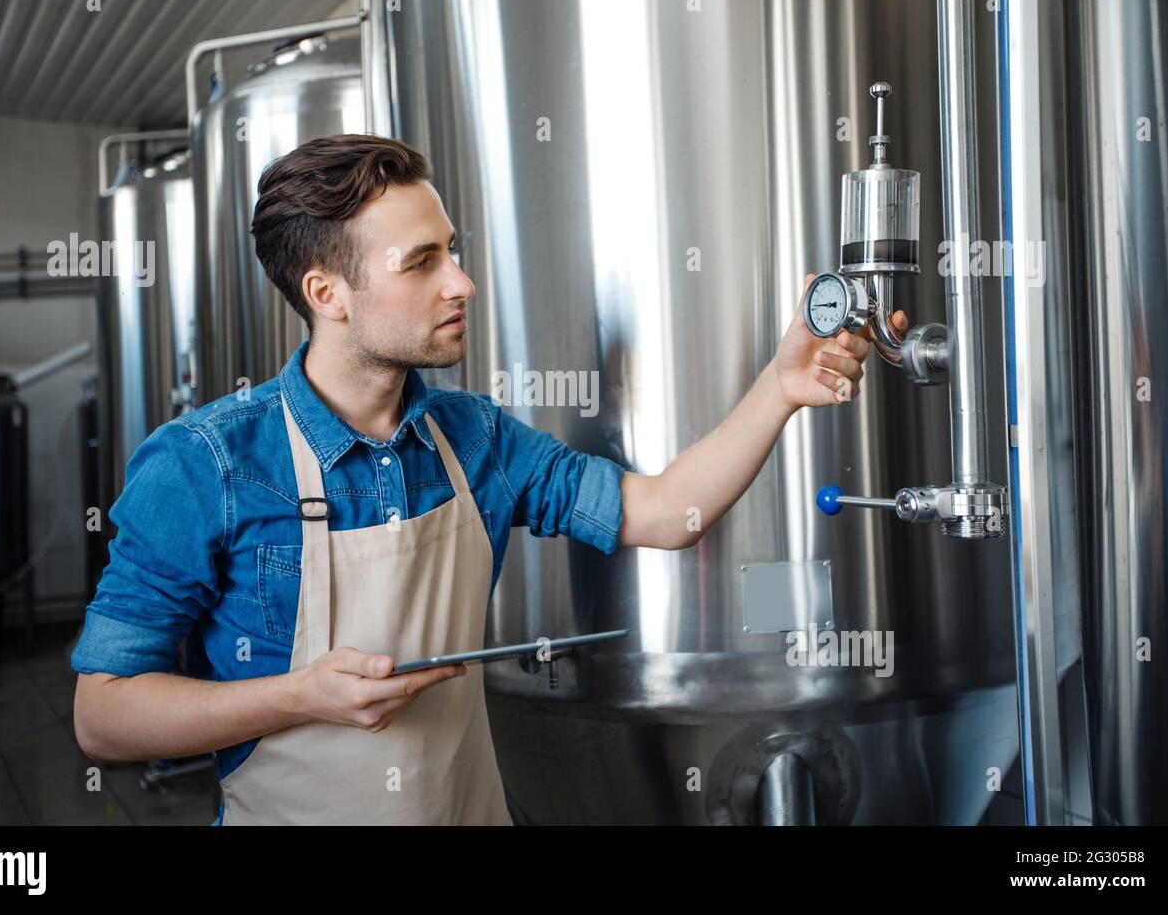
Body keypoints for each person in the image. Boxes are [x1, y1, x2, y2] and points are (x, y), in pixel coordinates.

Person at [71, 134, 906, 824]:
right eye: (422, 262)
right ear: (328, 292)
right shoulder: (204, 463)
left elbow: (662, 513)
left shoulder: (472, 437)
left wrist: (781, 386)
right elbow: (102, 716)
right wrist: (298, 697)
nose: (462, 282)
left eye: (456, 252)